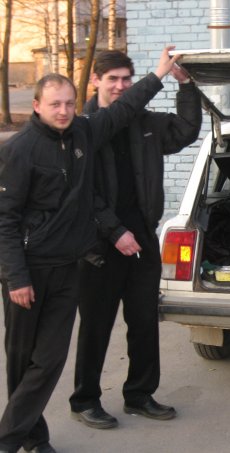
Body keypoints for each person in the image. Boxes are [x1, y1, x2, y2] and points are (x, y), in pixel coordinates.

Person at [0, 47, 181, 453]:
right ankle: (30, 438)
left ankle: (12, 438)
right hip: (30, 271)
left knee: (49, 361)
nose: (64, 111)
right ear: (37, 106)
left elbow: (125, 108)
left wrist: (158, 75)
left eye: (68, 103)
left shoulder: (83, 133)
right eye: (55, 105)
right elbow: (4, 219)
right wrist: (16, 277)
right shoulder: (19, 149)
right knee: (22, 360)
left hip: (68, 266)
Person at [68, 50, 202, 429]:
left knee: (143, 322)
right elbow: (84, 195)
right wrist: (115, 232)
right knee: (96, 326)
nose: (120, 85)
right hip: (97, 245)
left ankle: (139, 395)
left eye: (126, 78)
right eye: (112, 78)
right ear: (96, 81)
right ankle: (84, 400)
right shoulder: (83, 129)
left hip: (141, 239)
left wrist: (186, 86)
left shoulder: (145, 124)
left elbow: (186, 131)